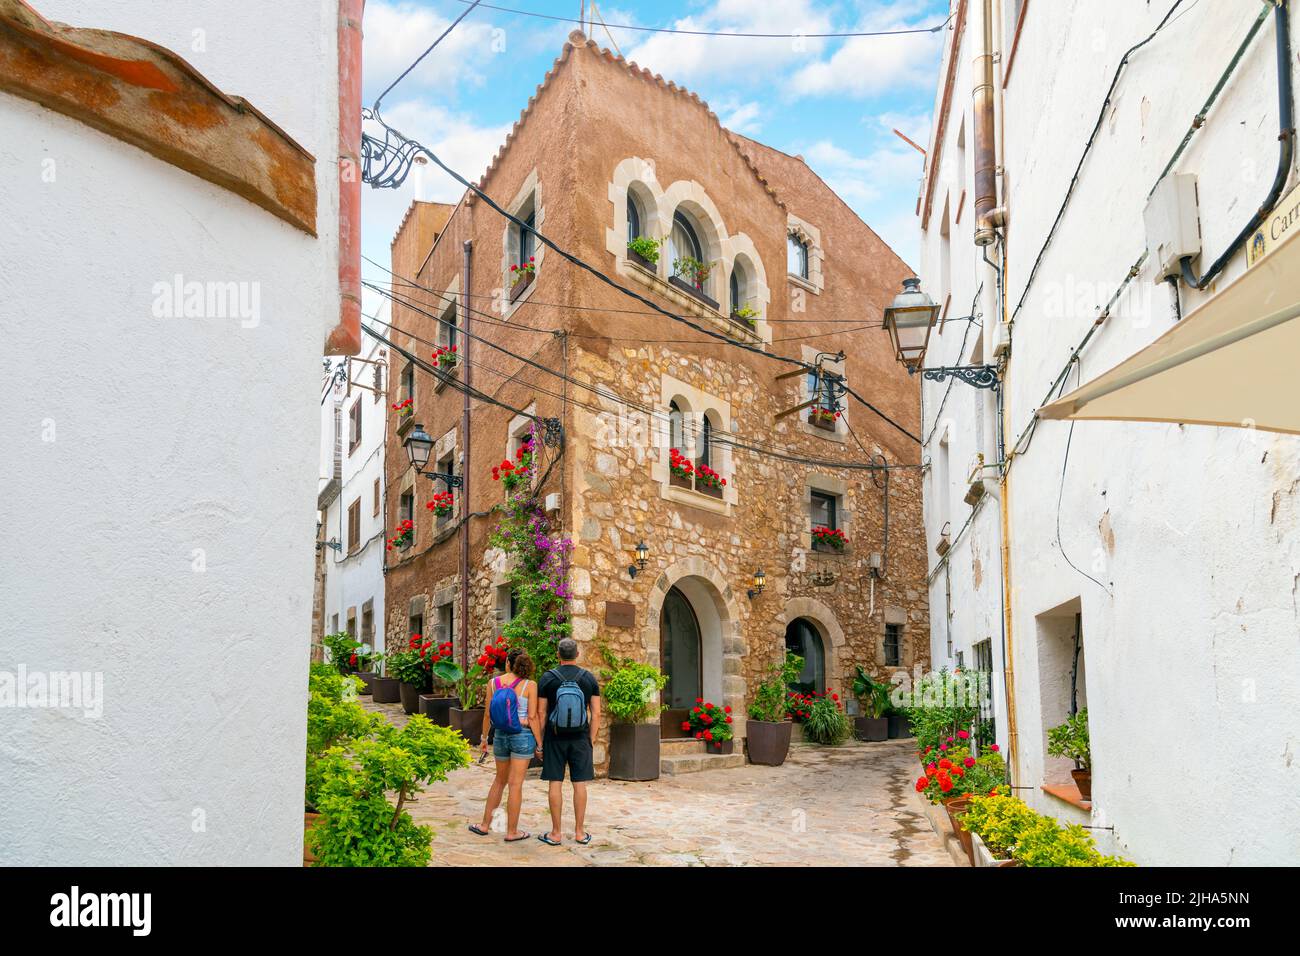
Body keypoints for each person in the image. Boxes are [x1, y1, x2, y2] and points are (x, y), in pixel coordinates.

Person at [468, 649, 541, 843]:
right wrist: (540, 743)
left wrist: (484, 739)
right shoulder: (530, 685)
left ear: (508, 663)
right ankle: (512, 831)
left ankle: (484, 825)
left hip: (500, 735)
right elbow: (533, 717)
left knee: (499, 781)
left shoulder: (493, 683)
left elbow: (487, 714)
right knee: (515, 784)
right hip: (522, 735)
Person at [535, 637, 601, 846]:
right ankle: (580, 832)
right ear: (577, 655)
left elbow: (541, 713)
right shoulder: (589, 678)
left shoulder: (547, 678)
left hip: (554, 738)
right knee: (579, 784)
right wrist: (589, 739)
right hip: (580, 738)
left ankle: (555, 833)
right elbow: (597, 714)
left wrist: (541, 742)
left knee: (555, 783)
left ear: (558, 655)